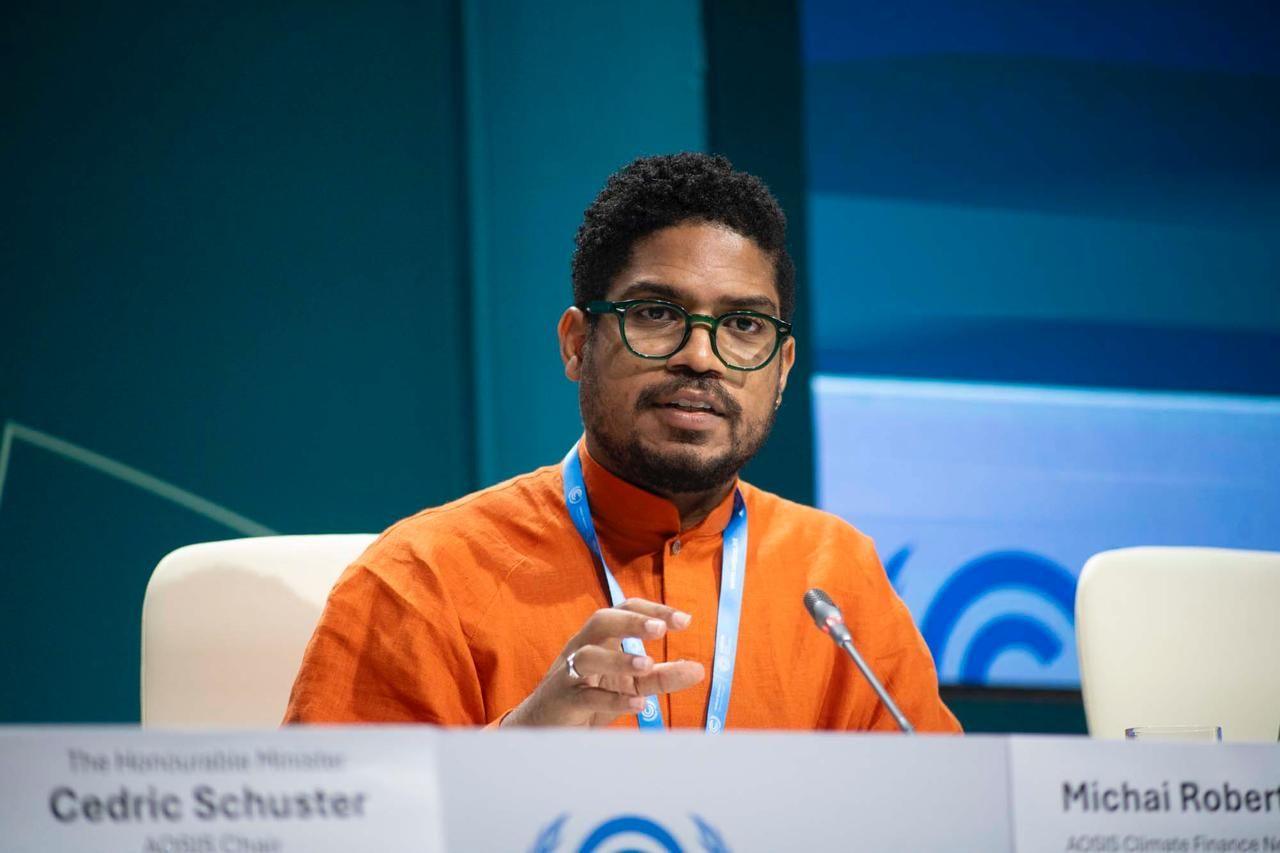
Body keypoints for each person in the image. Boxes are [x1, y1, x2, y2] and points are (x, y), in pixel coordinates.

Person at [285, 153, 960, 733]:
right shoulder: (420, 580)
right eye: (658, 314)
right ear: (577, 344)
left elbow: (947, 817)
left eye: (745, 324)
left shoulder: (835, 579)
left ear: (782, 369)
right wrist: (512, 753)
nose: (702, 356)